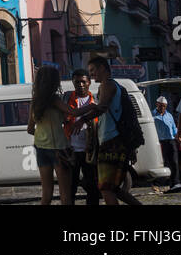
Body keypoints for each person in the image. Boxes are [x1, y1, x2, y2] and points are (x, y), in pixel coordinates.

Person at [76, 57, 142, 205]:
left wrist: (82, 118)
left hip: (112, 141)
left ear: (102, 68)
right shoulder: (111, 86)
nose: (92, 75)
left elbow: (102, 107)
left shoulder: (108, 84)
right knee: (112, 188)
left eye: (93, 71)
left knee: (106, 188)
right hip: (112, 141)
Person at [27, 65, 92, 206]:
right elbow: (73, 112)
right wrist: (93, 106)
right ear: (54, 82)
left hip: (41, 149)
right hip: (59, 149)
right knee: (65, 195)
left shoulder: (35, 101)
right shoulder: (54, 99)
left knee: (46, 194)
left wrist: (43, 135)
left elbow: (30, 129)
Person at [63, 69, 101, 205]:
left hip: (89, 151)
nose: (80, 84)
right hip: (71, 150)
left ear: (89, 83)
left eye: (83, 81)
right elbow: (62, 118)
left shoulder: (96, 100)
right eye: (77, 82)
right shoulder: (66, 98)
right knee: (70, 188)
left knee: (92, 186)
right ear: (73, 83)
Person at [154, 96, 181, 193]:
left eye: (164, 106)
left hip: (171, 141)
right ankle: (160, 184)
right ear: (157, 104)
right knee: (162, 163)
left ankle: (175, 182)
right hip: (160, 142)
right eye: (161, 105)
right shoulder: (152, 115)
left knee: (174, 162)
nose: (162, 108)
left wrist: (179, 139)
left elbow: (174, 129)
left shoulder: (169, 115)